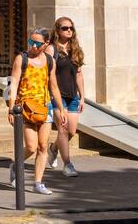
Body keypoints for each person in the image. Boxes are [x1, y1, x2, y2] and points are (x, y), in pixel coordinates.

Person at [6, 28, 68, 195]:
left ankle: (38, 183)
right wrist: (11, 109)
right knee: (32, 147)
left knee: (42, 146)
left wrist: (61, 109)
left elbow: (53, 85)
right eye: (31, 42)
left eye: (37, 43)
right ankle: (16, 164)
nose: (33, 46)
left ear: (46, 43)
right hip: (25, 108)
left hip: (44, 107)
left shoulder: (49, 61)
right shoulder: (22, 58)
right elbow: (14, 84)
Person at [47, 16, 85, 176]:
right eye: (65, 28)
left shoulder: (75, 49)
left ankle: (53, 148)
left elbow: (78, 74)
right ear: (57, 30)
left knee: (71, 131)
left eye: (71, 28)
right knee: (62, 129)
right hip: (57, 95)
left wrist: (82, 97)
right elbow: (49, 75)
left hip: (72, 96)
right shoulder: (51, 49)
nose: (69, 30)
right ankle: (68, 165)